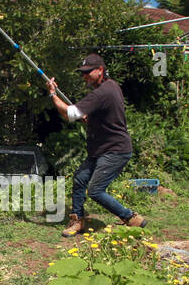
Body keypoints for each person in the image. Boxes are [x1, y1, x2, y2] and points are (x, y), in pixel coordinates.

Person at [45, 53, 147, 237]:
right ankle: (77, 220)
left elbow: (70, 114)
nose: (84, 76)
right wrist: (89, 118)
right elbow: (102, 114)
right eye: (82, 72)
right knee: (80, 178)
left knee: (95, 190)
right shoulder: (110, 87)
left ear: (100, 70)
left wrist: (53, 93)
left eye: (87, 72)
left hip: (115, 150)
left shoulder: (103, 92)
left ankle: (130, 218)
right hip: (100, 150)